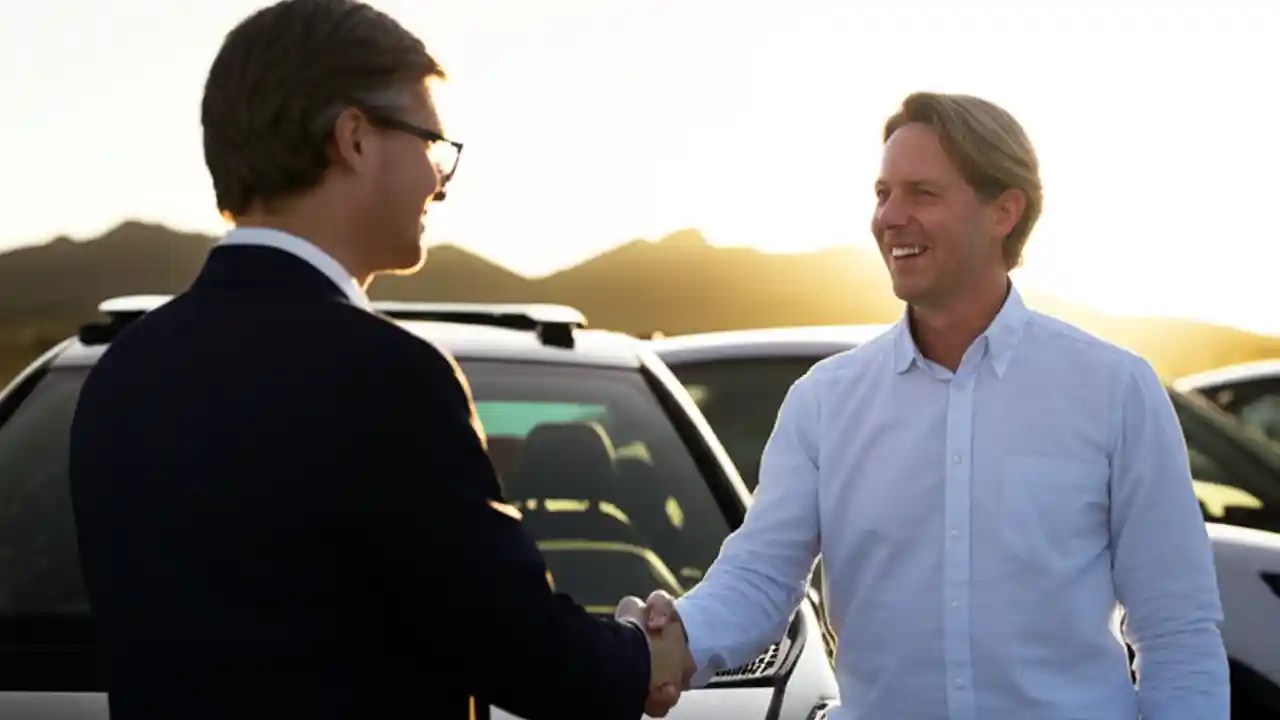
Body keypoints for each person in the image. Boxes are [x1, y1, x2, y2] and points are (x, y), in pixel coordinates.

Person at [67, 1, 689, 718]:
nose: (440, 180)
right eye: (433, 142)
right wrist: (646, 654)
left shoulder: (120, 376)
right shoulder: (390, 379)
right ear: (355, 139)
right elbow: (524, 654)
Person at [630, 91, 1230, 718]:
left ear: (1004, 211)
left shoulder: (1114, 390)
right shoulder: (824, 403)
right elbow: (758, 579)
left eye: (922, 193)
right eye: (882, 193)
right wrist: (667, 643)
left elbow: (1177, 628)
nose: (890, 217)